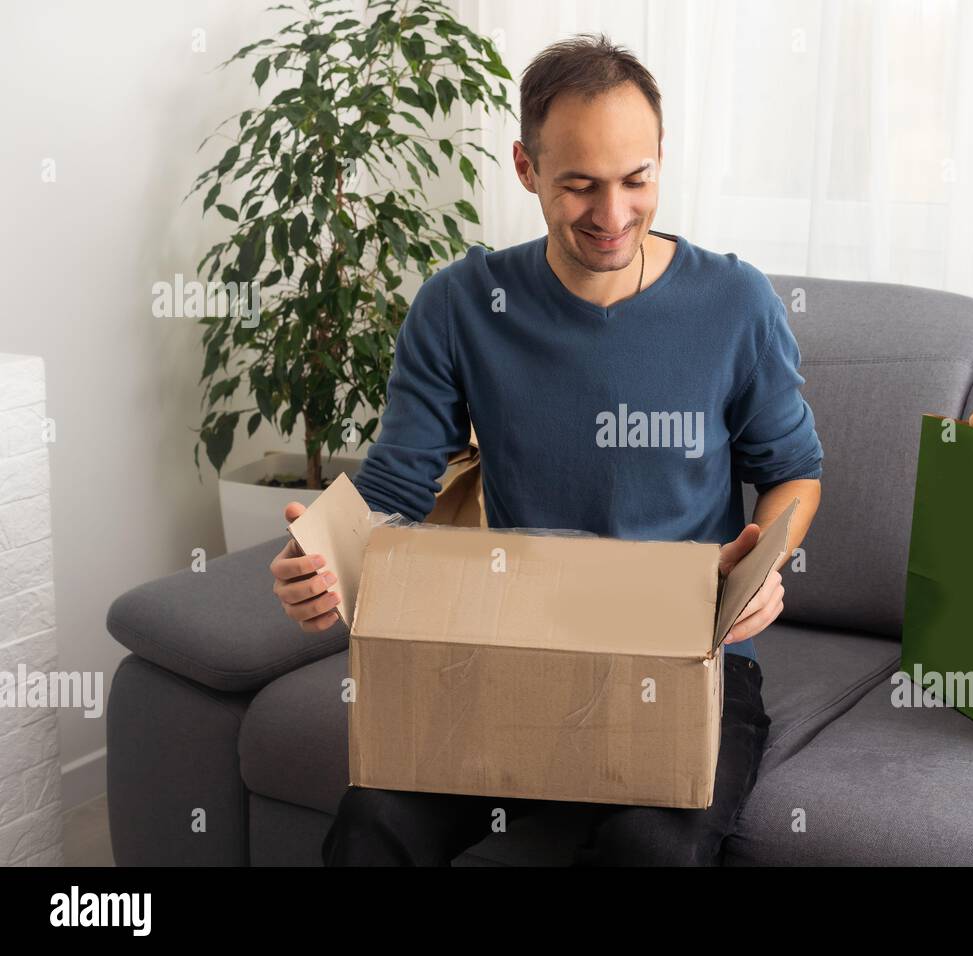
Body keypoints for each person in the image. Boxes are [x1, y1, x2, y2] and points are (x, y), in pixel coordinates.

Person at [269, 32, 823, 866]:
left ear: (663, 159)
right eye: (580, 185)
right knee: (371, 824)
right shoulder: (461, 304)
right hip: (511, 648)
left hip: (688, 654)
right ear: (526, 169)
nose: (613, 215)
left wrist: (762, 565)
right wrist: (320, 564)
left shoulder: (735, 303)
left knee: (651, 848)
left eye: (636, 180)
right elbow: (395, 489)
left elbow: (794, 474)